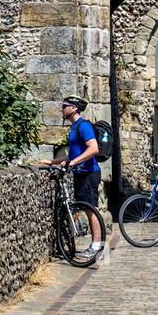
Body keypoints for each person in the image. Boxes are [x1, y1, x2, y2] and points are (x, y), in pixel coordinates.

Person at [59, 95, 104, 259]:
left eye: (65, 106)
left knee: (92, 210)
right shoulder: (74, 127)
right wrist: (52, 162)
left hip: (89, 173)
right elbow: (72, 155)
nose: (62, 109)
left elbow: (93, 148)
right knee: (87, 208)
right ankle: (96, 245)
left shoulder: (83, 126)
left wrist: (74, 163)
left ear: (74, 108)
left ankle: (96, 246)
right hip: (81, 173)